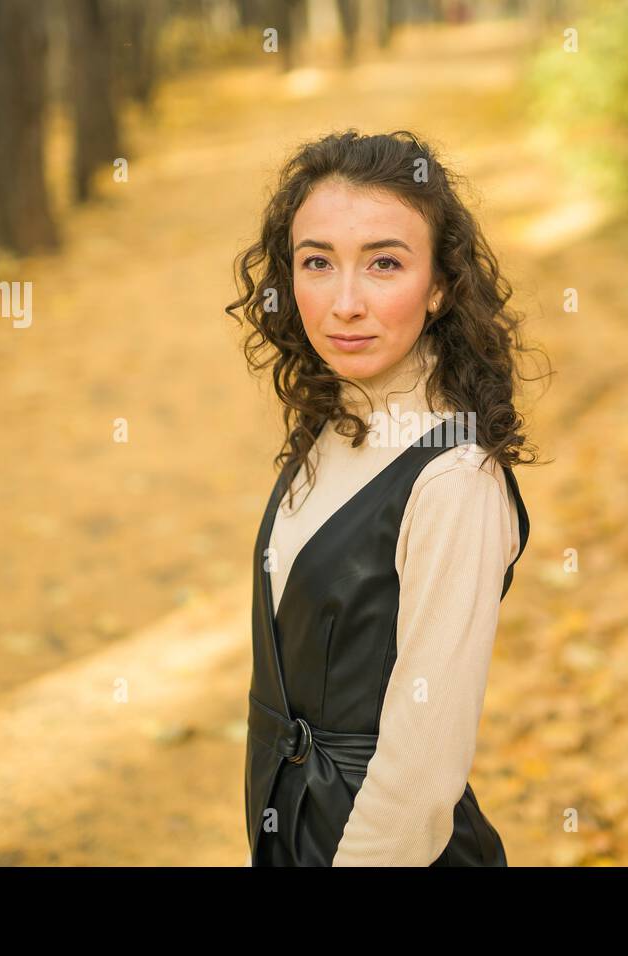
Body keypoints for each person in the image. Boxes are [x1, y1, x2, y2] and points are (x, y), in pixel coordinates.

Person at [226, 129, 544, 866]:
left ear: (439, 286)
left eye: (384, 264)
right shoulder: (335, 421)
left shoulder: (453, 481)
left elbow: (421, 776)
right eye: (317, 263)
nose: (345, 303)